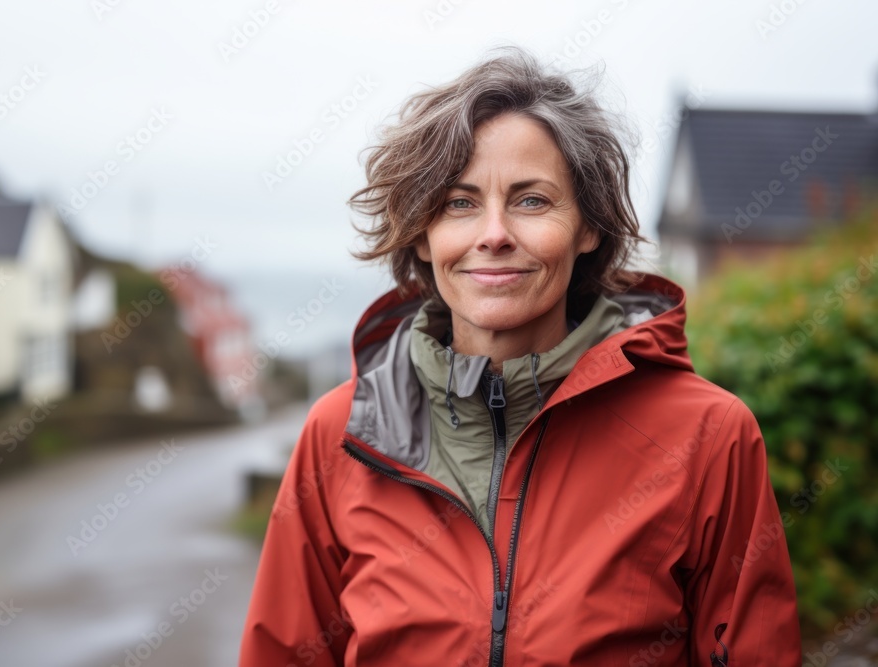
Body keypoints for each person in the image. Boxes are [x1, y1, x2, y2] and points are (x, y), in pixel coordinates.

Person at [239, 47, 801, 666]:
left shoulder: (708, 435)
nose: (494, 232)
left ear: (589, 227)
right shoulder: (341, 433)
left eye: (532, 200)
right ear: (422, 236)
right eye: (459, 203)